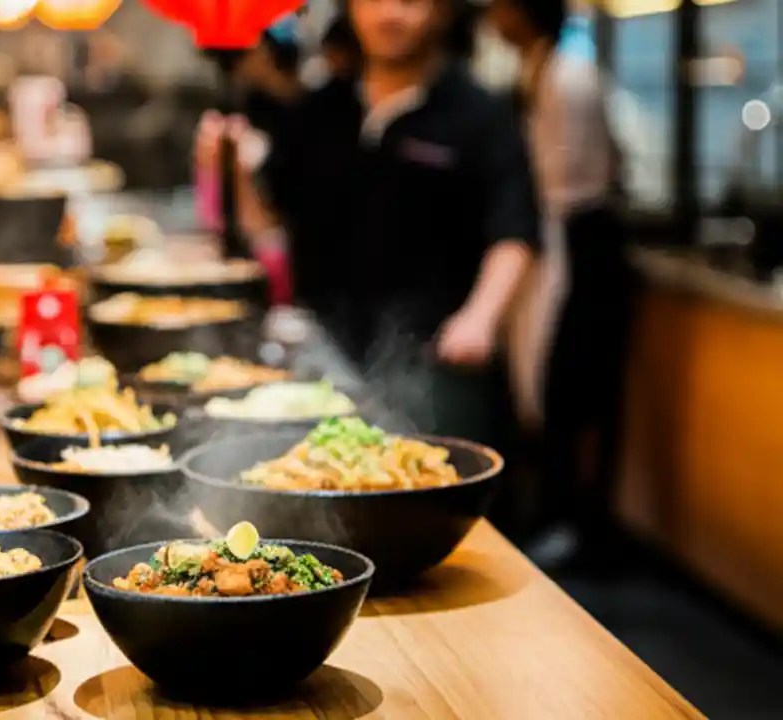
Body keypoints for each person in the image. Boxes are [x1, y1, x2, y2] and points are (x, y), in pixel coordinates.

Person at [206, 0, 540, 451]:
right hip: (328, 353)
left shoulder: (482, 114)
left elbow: (514, 232)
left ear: (441, 12)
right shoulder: (320, 109)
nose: (389, 14)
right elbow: (271, 224)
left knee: (441, 500)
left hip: (438, 361)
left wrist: (480, 319)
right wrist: (233, 173)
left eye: (408, 2)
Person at [487, 0, 626, 558]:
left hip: (582, 240)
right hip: (558, 234)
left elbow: (567, 177)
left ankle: (579, 526)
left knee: (574, 388)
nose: (494, 17)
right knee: (548, 382)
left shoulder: (568, 74)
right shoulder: (539, 64)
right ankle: (557, 515)